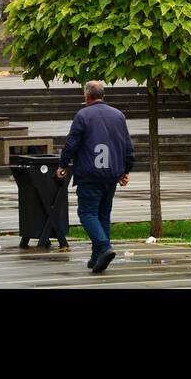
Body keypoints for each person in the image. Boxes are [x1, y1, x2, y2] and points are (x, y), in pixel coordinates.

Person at [56, 81, 134, 274]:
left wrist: (62, 165)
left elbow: (71, 143)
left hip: (89, 174)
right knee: (103, 215)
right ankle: (96, 258)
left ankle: (104, 247)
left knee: (87, 213)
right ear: (103, 95)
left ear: (86, 96)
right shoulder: (118, 116)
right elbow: (127, 147)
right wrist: (126, 171)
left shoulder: (83, 115)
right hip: (111, 175)